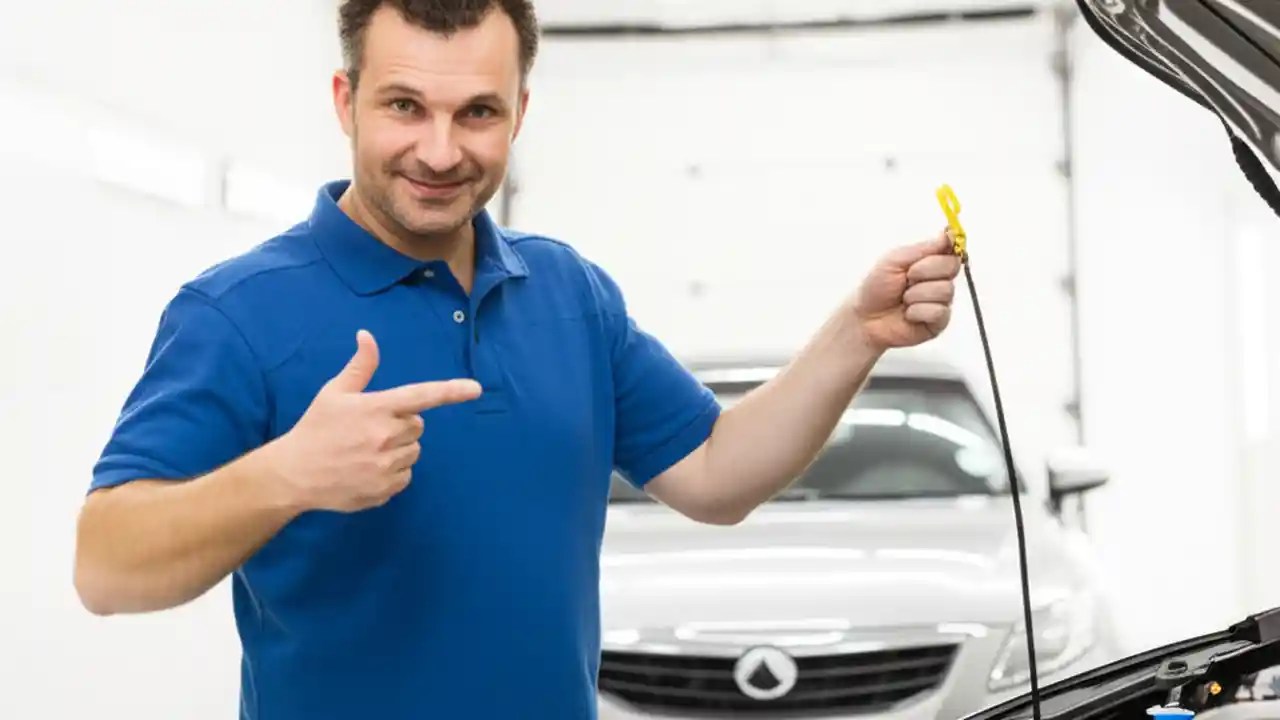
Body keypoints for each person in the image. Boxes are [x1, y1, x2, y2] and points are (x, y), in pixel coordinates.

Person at [72, 1, 962, 718]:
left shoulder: (569, 294)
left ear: (520, 113)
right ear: (346, 101)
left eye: (478, 113)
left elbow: (718, 473)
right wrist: (286, 476)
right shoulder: (237, 312)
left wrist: (859, 333)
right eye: (404, 106)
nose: (440, 150)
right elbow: (104, 567)